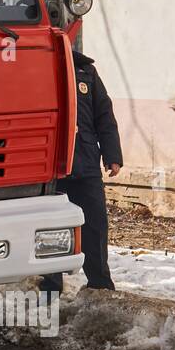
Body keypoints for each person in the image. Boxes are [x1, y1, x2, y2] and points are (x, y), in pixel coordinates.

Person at [42, 50, 122, 292]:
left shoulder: (85, 70)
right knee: (50, 228)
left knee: (95, 225)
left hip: (85, 161)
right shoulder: (38, 64)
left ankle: (100, 284)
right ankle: (50, 285)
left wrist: (112, 156)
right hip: (51, 165)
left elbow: (104, 114)